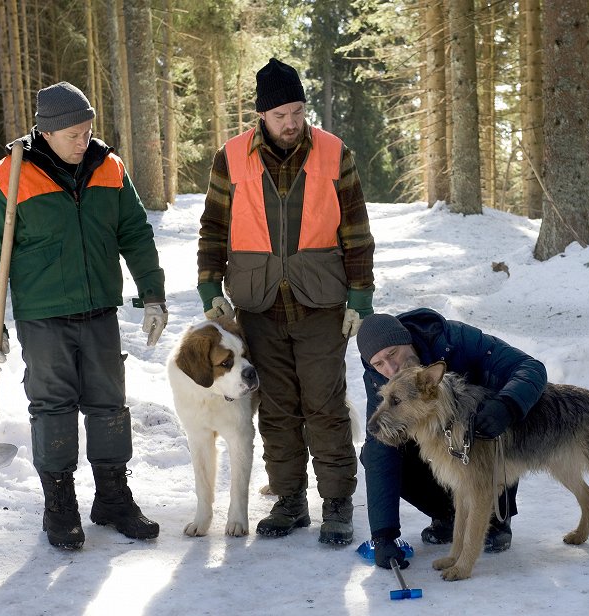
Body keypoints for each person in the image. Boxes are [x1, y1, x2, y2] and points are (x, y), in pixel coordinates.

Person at [0, 81, 168, 550]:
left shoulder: (109, 167)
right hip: (44, 316)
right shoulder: (8, 177)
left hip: (100, 309)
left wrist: (153, 294)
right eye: (74, 134)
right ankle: (59, 504)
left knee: (109, 406)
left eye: (88, 131)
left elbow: (135, 234)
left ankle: (113, 498)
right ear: (48, 132)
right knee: (53, 407)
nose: (85, 141)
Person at [197, 58, 375, 545]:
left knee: (324, 404)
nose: (292, 122)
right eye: (281, 115)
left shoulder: (334, 153)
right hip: (257, 303)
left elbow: (356, 232)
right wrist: (210, 287)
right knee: (275, 406)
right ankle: (290, 499)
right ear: (262, 116)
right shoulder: (230, 158)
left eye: (298, 111)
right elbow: (213, 227)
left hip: (320, 302)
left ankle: (337, 501)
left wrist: (361, 294)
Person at [356, 309, 547, 569]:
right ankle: (447, 516)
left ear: (407, 338)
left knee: (486, 451)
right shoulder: (382, 379)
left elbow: (530, 368)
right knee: (376, 451)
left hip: (489, 437)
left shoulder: (454, 339)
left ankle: (497, 519)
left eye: (393, 354)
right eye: (379, 363)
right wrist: (383, 535)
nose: (391, 368)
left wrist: (508, 405)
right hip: (440, 444)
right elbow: (380, 453)